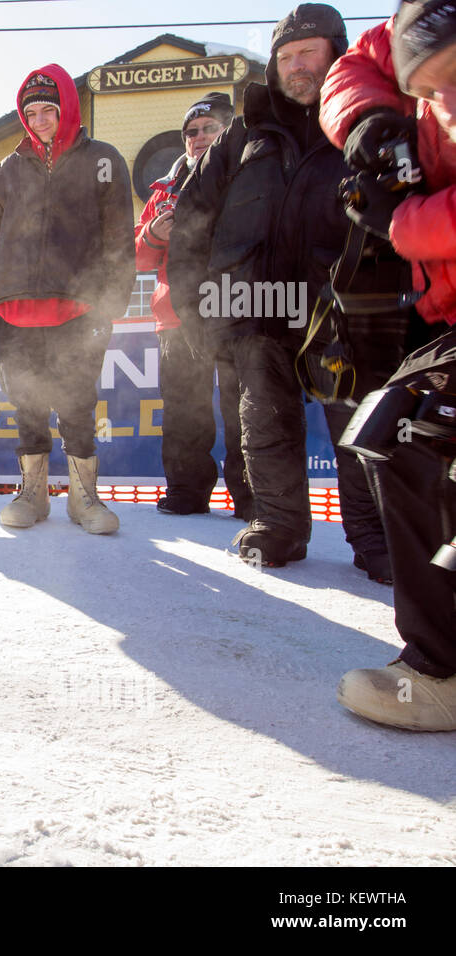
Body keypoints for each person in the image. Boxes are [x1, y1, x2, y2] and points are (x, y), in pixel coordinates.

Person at [169, 4, 396, 577]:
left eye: (309, 53)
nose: (297, 67)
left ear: (337, 53)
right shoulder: (242, 134)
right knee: (264, 421)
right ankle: (277, 527)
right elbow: (192, 218)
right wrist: (196, 308)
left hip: (344, 308)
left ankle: (378, 542)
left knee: (358, 425)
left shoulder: (367, 120)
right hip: (253, 306)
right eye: (286, 56)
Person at [319, 0, 456, 730]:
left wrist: (399, 223)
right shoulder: (415, 29)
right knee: (400, 430)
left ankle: (442, 668)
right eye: (429, 89)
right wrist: (369, 118)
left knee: (417, 433)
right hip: (443, 307)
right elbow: (360, 66)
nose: (444, 104)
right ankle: (441, 662)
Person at [0, 64, 134, 534]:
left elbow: (120, 240)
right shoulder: (3, 172)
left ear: (68, 107)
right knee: (27, 406)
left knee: (76, 404)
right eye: (31, 112)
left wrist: (109, 306)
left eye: (49, 109)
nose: (40, 119)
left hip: (79, 309)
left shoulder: (103, 160)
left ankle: (85, 499)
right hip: (13, 313)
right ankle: (34, 494)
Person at [137, 93, 253, 519]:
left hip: (238, 308)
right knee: (185, 412)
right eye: (192, 132)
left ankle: (251, 498)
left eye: (210, 129)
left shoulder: (248, 175)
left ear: (227, 132)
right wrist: (152, 234)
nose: (200, 137)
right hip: (176, 318)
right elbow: (136, 258)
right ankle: (187, 493)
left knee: (244, 409)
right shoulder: (164, 190)